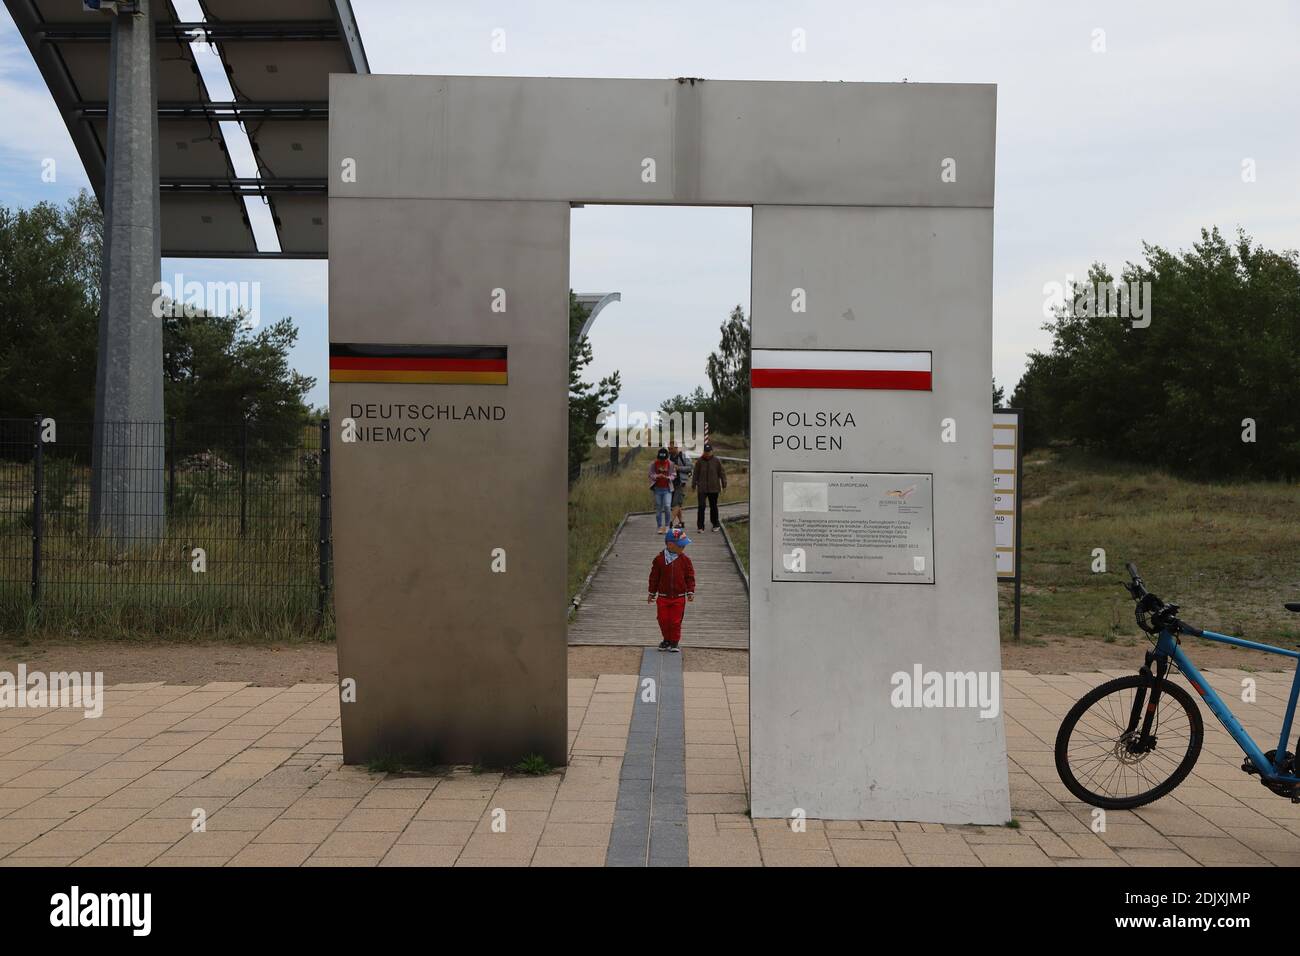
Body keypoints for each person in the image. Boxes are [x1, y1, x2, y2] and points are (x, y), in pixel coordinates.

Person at [648, 528, 695, 652]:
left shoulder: (685, 560)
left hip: (679, 597)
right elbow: (654, 577)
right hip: (663, 596)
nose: (683, 548)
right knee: (663, 620)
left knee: (675, 621)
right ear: (670, 545)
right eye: (681, 546)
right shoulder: (659, 559)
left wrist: (690, 591)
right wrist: (652, 592)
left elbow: (690, 577)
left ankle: (674, 642)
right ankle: (666, 639)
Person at [691, 442, 727, 532]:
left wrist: (724, 484)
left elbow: (722, 473)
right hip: (702, 488)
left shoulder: (716, 461)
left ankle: (715, 524)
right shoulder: (699, 461)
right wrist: (693, 484)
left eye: (709, 451)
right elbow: (695, 473)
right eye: (705, 452)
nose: (707, 453)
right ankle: (700, 526)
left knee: (713, 506)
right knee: (701, 506)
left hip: (714, 487)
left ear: (712, 451)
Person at [648, 447, 676, 534]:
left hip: (667, 489)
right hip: (657, 489)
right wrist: (656, 476)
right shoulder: (654, 464)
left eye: (664, 459)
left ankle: (667, 526)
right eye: (660, 459)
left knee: (667, 506)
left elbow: (674, 475)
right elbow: (650, 474)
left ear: (667, 457)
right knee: (658, 508)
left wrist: (667, 478)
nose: (662, 461)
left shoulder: (671, 464)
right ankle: (659, 526)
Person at [667, 439, 691, 530]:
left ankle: (669, 522)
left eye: (671, 448)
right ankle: (681, 522)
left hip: (680, 483)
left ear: (676, 447)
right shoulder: (668, 457)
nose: (669, 450)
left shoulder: (683, 456)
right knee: (675, 504)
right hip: (670, 483)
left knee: (676, 503)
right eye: (668, 448)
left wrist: (678, 468)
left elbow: (690, 467)